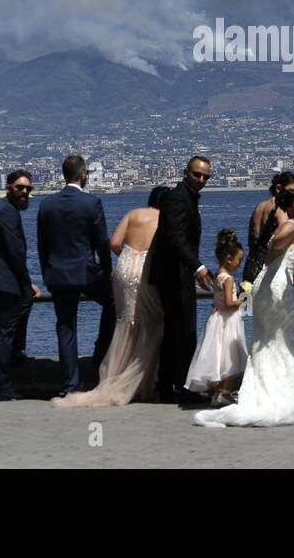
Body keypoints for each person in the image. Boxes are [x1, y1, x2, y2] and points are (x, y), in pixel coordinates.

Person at [194, 190, 294, 427]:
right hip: (274, 288)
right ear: (290, 208)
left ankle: (285, 390)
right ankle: (269, 392)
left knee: (285, 340)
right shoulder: (288, 225)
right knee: (275, 340)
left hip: (282, 285)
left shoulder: (293, 227)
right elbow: (278, 244)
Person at [54, 187, 169, 408]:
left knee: (126, 321)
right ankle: (142, 383)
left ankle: (115, 376)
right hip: (147, 269)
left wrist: (127, 257)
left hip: (124, 268)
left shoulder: (133, 213)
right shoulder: (164, 218)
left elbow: (115, 243)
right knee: (153, 322)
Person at [37, 155, 117, 397]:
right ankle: (100, 354)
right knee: (114, 302)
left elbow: (42, 246)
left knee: (65, 327)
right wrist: (107, 270)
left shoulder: (46, 205)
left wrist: (47, 274)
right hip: (86, 272)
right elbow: (102, 243)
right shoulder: (91, 204)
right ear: (83, 174)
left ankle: (69, 385)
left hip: (58, 274)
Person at [150, 156, 215, 402]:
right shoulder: (178, 197)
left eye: (206, 177)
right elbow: (176, 239)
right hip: (174, 275)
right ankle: (182, 387)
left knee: (175, 331)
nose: (201, 180)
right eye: (198, 175)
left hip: (177, 273)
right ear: (185, 172)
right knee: (184, 332)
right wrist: (197, 267)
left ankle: (169, 386)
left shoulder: (185, 196)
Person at [0, 170, 41, 401]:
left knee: (19, 313)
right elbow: (15, 253)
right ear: (8, 188)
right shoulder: (7, 213)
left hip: (3, 279)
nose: (24, 192)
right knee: (4, 333)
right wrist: (26, 283)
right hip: (4, 281)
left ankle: (15, 355)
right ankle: (0, 386)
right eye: (20, 187)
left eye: (28, 189)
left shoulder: (7, 211)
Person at [246, 171, 294, 350]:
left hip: (250, 268)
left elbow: (253, 242)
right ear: (279, 189)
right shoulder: (280, 210)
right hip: (270, 269)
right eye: (291, 193)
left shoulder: (259, 207)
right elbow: (282, 238)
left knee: (263, 325)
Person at [185, 229, 249, 406]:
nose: (240, 264)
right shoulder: (228, 279)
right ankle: (225, 391)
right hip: (229, 320)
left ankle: (217, 392)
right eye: (239, 260)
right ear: (229, 258)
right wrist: (244, 301)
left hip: (217, 319)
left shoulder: (217, 276)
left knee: (219, 355)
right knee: (231, 357)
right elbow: (229, 302)